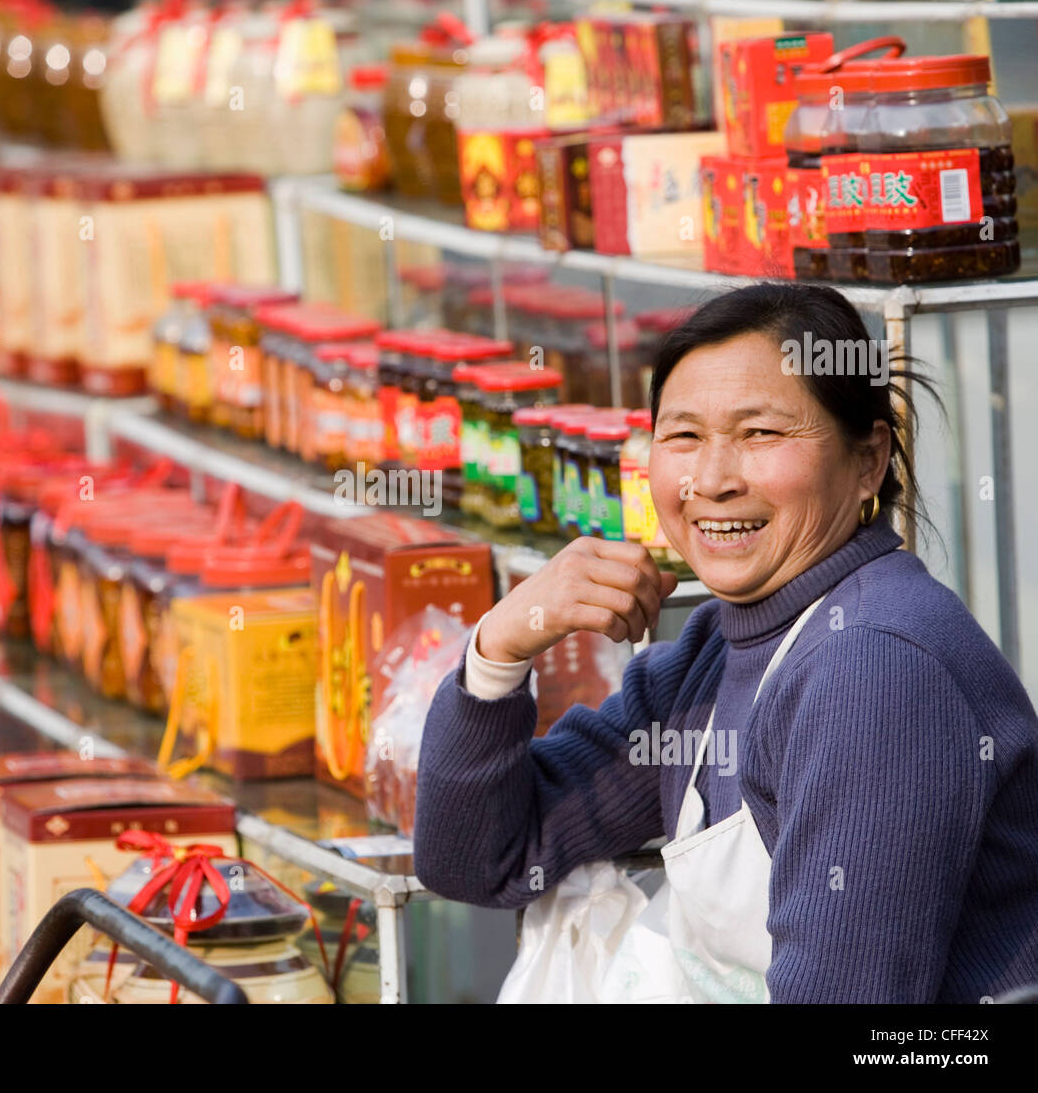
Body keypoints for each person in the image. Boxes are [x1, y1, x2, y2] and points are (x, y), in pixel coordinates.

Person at [413, 282, 1038, 1004]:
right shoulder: (713, 654)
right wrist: (501, 646)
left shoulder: (876, 666)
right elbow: (479, 860)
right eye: (683, 436)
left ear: (868, 460)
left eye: (761, 434)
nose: (711, 479)